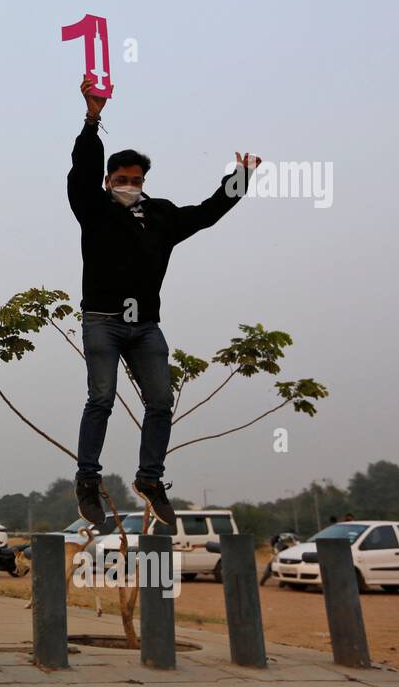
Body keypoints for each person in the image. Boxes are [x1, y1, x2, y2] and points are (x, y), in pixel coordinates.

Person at [68, 74, 258, 528]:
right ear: (109, 179)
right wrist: (92, 119)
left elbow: (207, 213)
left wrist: (242, 178)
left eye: (135, 180)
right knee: (101, 398)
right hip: (102, 321)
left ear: (144, 180)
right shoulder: (93, 210)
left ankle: (150, 479)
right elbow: (81, 170)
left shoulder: (161, 216)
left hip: (145, 327)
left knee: (161, 402)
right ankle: (87, 481)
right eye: (120, 179)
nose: (128, 184)